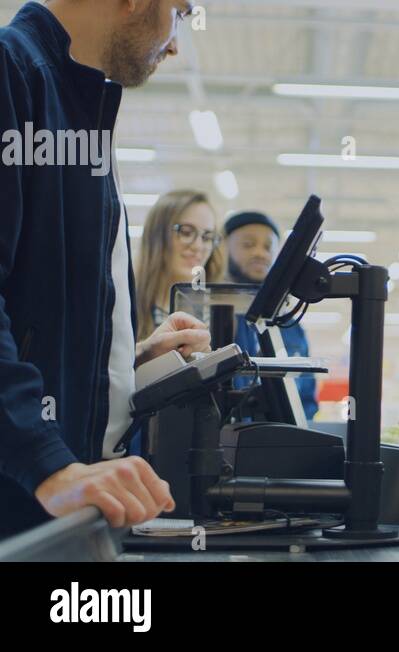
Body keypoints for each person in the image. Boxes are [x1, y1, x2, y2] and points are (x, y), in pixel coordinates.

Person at [0, 0, 208, 538]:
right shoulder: (12, 74)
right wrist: (47, 462)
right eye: (181, 11)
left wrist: (127, 361)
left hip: (56, 516)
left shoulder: (76, 108)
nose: (177, 40)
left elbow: (35, 315)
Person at [224, 211, 319, 419]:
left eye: (268, 247)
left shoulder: (290, 326)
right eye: (248, 245)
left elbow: (307, 399)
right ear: (224, 250)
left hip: (282, 443)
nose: (260, 253)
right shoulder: (215, 318)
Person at [135, 190, 225, 341]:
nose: (198, 246)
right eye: (186, 232)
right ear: (156, 236)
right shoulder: (124, 306)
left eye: (207, 237)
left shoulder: (219, 314)